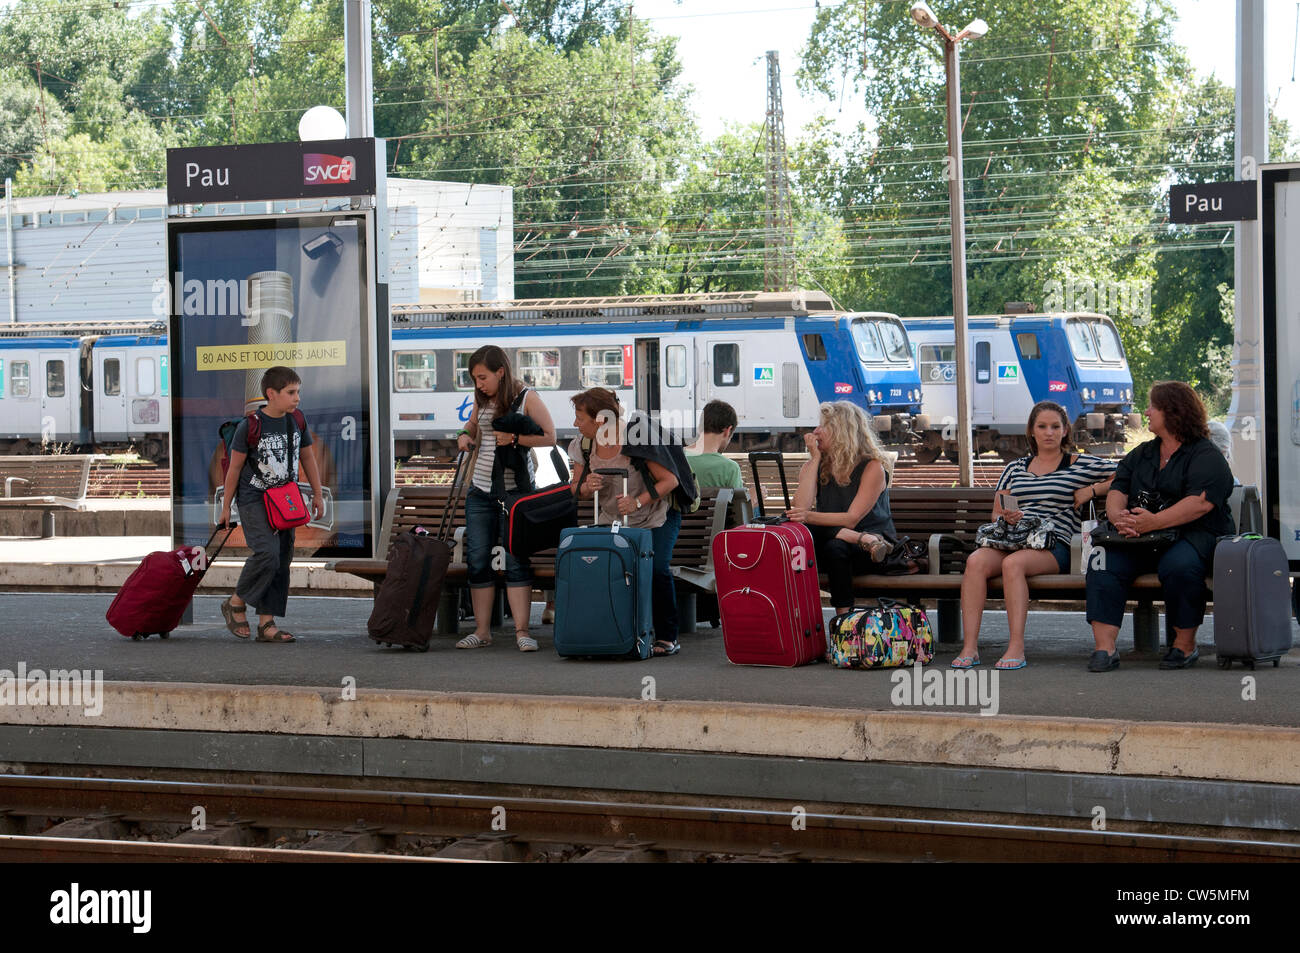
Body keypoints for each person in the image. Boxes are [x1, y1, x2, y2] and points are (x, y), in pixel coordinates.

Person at [1085, 381, 1235, 672]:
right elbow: (1118, 488)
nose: (1147, 411)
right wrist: (1120, 520)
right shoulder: (1143, 453)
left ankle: (1184, 646)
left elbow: (1200, 503)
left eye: (1152, 406)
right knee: (1102, 561)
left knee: (1180, 566)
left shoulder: (1206, 455)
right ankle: (1105, 649)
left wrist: (1152, 522)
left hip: (1192, 534)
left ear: (1173, 411)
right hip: (1139, 536)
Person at [955, 401, 1116, 670]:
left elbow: (1126, 474)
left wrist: (1093, 491)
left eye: (1055, 426)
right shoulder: (1015, 468)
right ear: (1032, 431)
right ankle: (970, 647)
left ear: (1066, 431)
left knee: (1013, 564)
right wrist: (1005, 516)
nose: (1049, 432)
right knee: (975, 562)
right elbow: (995, 512)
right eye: (1042, 426)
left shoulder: (1080, 464)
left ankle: (1016, 646)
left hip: (1056, 544)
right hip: (1014, 538)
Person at [569, 387, 697, 657]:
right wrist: (585, 487)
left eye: (580, 418)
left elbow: (669, 481)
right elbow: (575, 488)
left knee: (656, 568)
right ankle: (613, 629)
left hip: (655, 516)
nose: (575, 424)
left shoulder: (637, 439)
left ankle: (666, 636)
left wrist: (637, 501)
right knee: (604, 567)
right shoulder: (583, 444)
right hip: (611, 517)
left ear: (600, 420)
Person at [454, 345, 556, 652]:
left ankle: (522, 631)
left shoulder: (527, 398)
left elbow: (550, 437)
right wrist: (463, 434)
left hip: (515, 494)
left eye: (483, 377)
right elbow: (472, 425)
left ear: (501, 372)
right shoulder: (481, 398)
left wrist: (514, 438)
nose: (479, 384)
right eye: (474, 378)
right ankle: (482, 631)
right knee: (478, 560)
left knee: (515, 559)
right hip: (480, 490)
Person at [219, 366, 325, 643]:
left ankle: (267, 624)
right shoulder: (250, 426)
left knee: (282, 559)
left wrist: (317, 493)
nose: (297, 398)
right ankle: (235, 601)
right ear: (271, 394)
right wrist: (225, 506)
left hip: (284, 499)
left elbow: (308, 459)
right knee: (267, 553)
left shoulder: (297, 421)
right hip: (254, 498)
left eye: (298, 392)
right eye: (291, 393)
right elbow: (234, 469)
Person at [785, 401, 896, 616]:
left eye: (823, 426)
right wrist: (815, 459)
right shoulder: (818, 465)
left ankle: (843, 625)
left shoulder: (872, 467)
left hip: (873, 551)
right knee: (795, 531)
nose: (815, 431)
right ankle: (799, 628)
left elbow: (851, 519)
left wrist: (808, 516)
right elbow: (801, 509)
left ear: (842, 431)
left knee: (836, 545)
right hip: (839, 544)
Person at [685, 400, 749, 503]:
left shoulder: (677, 458)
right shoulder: (730, 468)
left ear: (699, 427)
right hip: (715, 519)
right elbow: (738, 510)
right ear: (728, 431)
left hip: (679, 519)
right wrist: (754, 499)